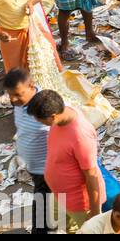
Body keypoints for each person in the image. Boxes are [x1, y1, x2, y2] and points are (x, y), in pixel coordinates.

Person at [26, 90, 102, 233]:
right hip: (59, 196)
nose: (38, 123)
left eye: (40, 120)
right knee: (60, 227)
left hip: (79, 204)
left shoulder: (80, 135)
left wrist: (95, 213)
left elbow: (92, 177)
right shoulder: (64, 114)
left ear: (53, 116)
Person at [4, 70, 50, 232]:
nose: (13, 99)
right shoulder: (20, 103)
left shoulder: (46, 106)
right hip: (34, 167)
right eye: (10, 95)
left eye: (17, 94)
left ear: (31, 86)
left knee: (43, 205)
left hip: (47, 169)